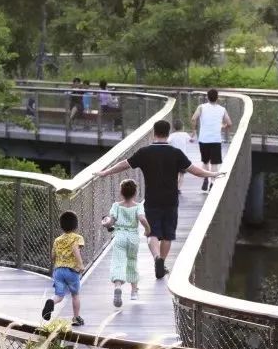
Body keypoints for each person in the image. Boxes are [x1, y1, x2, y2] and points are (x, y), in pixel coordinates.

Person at [95, 120, 224, 280]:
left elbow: (125, 164)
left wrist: (105, 172)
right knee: (168, 235)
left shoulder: (144, 152)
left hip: (152, 200)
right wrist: (213, 174)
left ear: (154, 133)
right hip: (170, 200)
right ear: (168, 133)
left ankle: (156, 257)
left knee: (152, 233)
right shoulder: (176, 153)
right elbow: (195, 171)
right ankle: (162, 262)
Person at [100, 179, 150, 307]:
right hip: (133, 237)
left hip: (120, 236)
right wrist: (148, 229)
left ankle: (118, 286)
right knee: (132, 261)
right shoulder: (138, 206)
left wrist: (106, 223)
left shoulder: (116, 205)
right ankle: (134, 291)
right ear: (135, 193)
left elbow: (111, 221)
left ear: (121, 193)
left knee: (118, 262)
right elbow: (142, 218)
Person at [42, 210, 85, 327]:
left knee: (59, 296)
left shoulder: (57, 240)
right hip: (72, 271)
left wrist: (58, 261)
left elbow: (52, 256)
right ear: (76, 225)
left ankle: (51, 302)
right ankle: (76, 318)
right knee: (75, 295)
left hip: (58, 271)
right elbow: (75, 249)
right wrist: (80, 264)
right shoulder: (77, 238)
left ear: (61, 226)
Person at [190, 88, 233, 192]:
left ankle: (205, 178)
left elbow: (193, 119)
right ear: (217, 98)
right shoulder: (222, 109)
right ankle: (213, 183)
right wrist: (222, 126)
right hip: (216, 139)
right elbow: (229, 123)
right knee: (215, 163)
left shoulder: (201, 107)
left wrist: (194, 131)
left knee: (205, 161)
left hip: (204, 139)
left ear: (207, 97)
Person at [168, 119, 191, 194]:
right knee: (181, 174)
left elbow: (167, 142)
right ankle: (178, 188)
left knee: (174, 174)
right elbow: (191, 140)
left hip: (173, 157)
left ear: (174, 128)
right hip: (183, 158)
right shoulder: (185, 134)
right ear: (182, 127)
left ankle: (173, 187)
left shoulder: (172, 135)